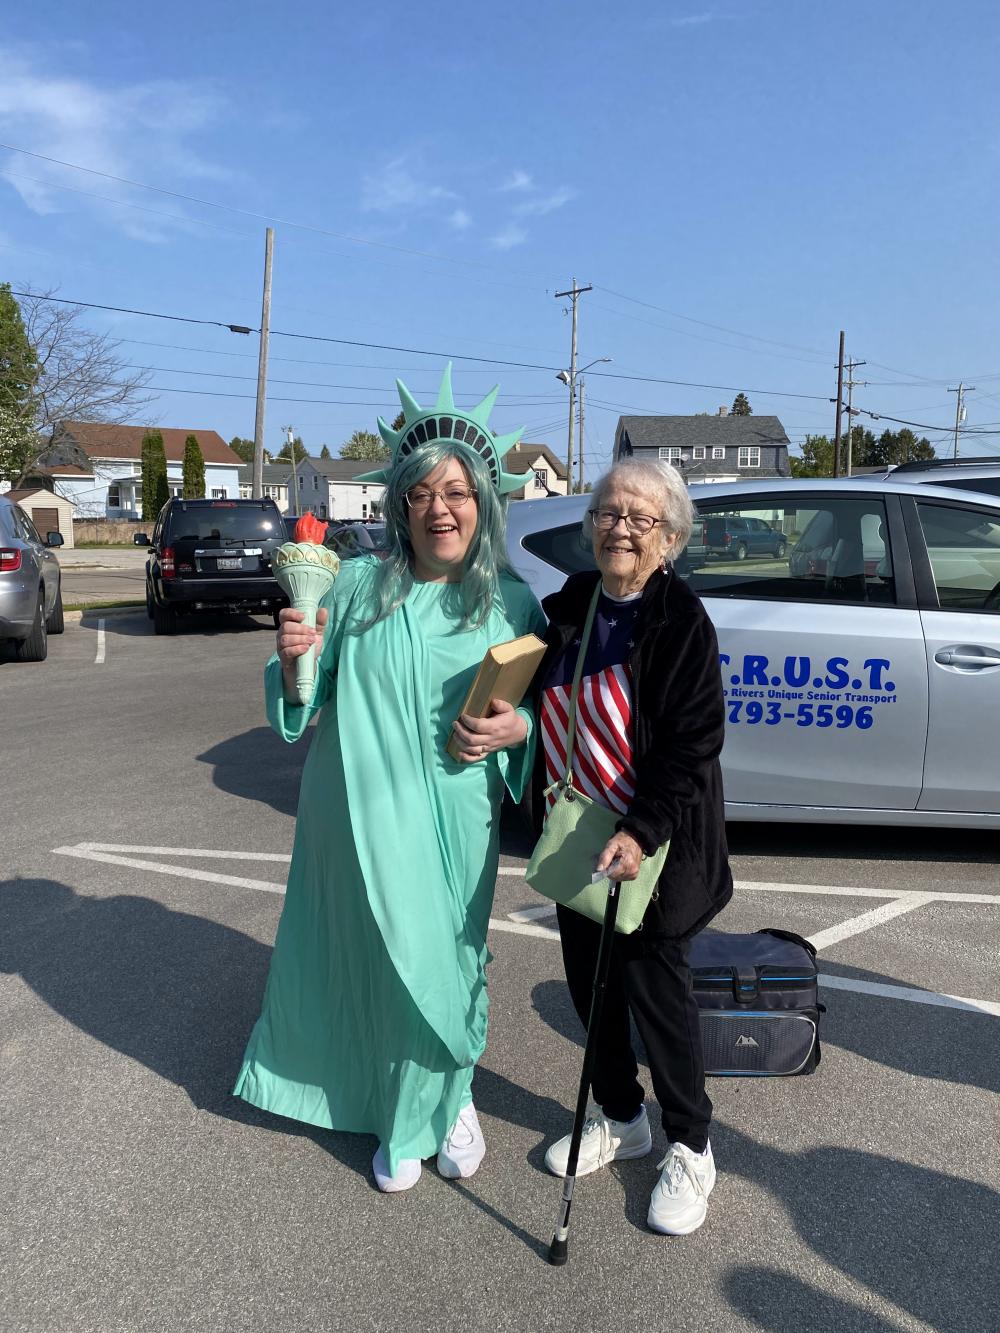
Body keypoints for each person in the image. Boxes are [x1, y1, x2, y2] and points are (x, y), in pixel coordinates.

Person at [235, 367, 545, 1193]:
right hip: (355, 814)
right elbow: (306, 698)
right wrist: (295, 661)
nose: (440, 508)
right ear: (400, 504)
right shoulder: (360, 584)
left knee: (449, 960)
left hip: (455, 819)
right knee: (375, 963)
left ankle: (452, 1096)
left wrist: (520, 729)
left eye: (458, 492)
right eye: (422, 493)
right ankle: (397, 1114)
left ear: (485, 502)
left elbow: (538, 722)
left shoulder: (514, 604)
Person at [531, 458, 733, 1235]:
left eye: (640, 519)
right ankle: (621, 1115)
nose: (620, 528)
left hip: (656, 844)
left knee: (658, 998)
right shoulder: (571, 605)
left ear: (670, 537)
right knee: (591, 986)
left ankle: (691, 1141)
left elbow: (692, 743)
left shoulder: (681, 620)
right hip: (579, 831)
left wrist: (641, 830)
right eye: (609, 513)